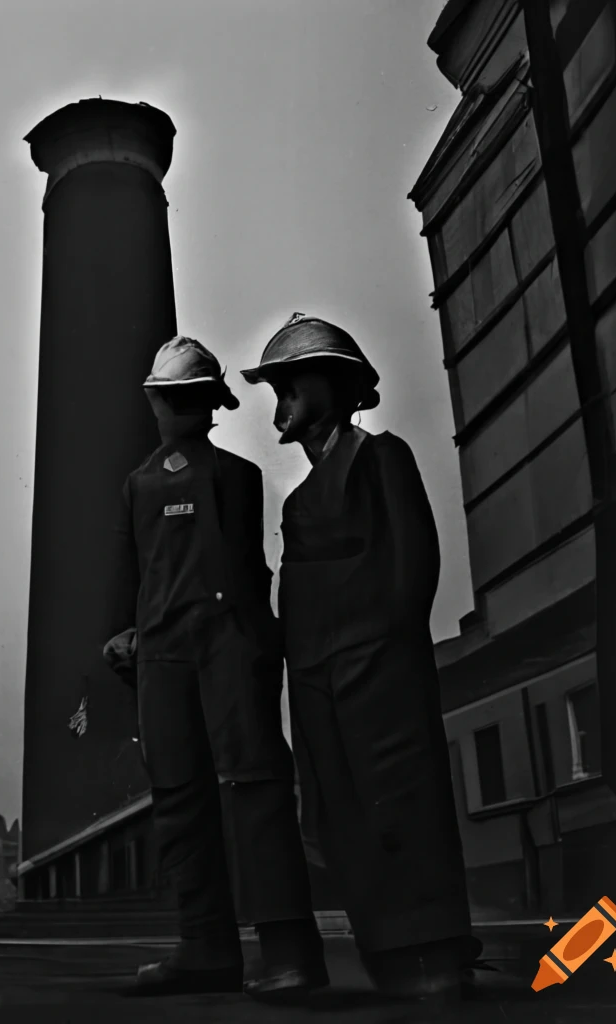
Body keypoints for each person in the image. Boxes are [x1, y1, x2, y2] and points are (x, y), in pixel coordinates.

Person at [240, 312, 482, 1001]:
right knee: (340, 812)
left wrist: (384, 650)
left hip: (379, 675)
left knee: (401, 803)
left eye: (291, 384)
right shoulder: (298, 499)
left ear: (337, 386)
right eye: (274, 389)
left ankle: (434, 952)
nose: (280, 402)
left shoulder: (382, 457)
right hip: (317, 683)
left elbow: (412, 568)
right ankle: (390, 955)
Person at [102, 334, 326, 1002]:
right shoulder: (139, 485)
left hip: (226, 644)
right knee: (178, 799)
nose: (174, 411)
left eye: (181, 400)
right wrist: (124, 634)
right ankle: (206, 950)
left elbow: (241, 574)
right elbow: (132, 574)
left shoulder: (234, 476)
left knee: (255, 788)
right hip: (166, 654)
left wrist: (251, 648)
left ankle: (292, 953)